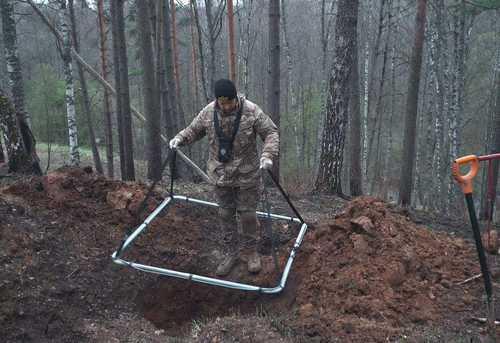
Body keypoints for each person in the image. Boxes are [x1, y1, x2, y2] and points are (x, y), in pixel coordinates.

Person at [169, 79, 279, 276]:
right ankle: (231, 252)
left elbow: (270, 132)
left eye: (229, 101)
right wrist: (180, 139)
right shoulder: (208, 112)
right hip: (220, 176)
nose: (226, 106)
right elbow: (193, 130)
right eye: (222, 102)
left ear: (236, 97)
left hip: (247, 174)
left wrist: (268, 155)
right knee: (225, 215)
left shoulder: (252, 111)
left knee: (247, 215)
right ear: (217, 100)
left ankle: (251, 252)